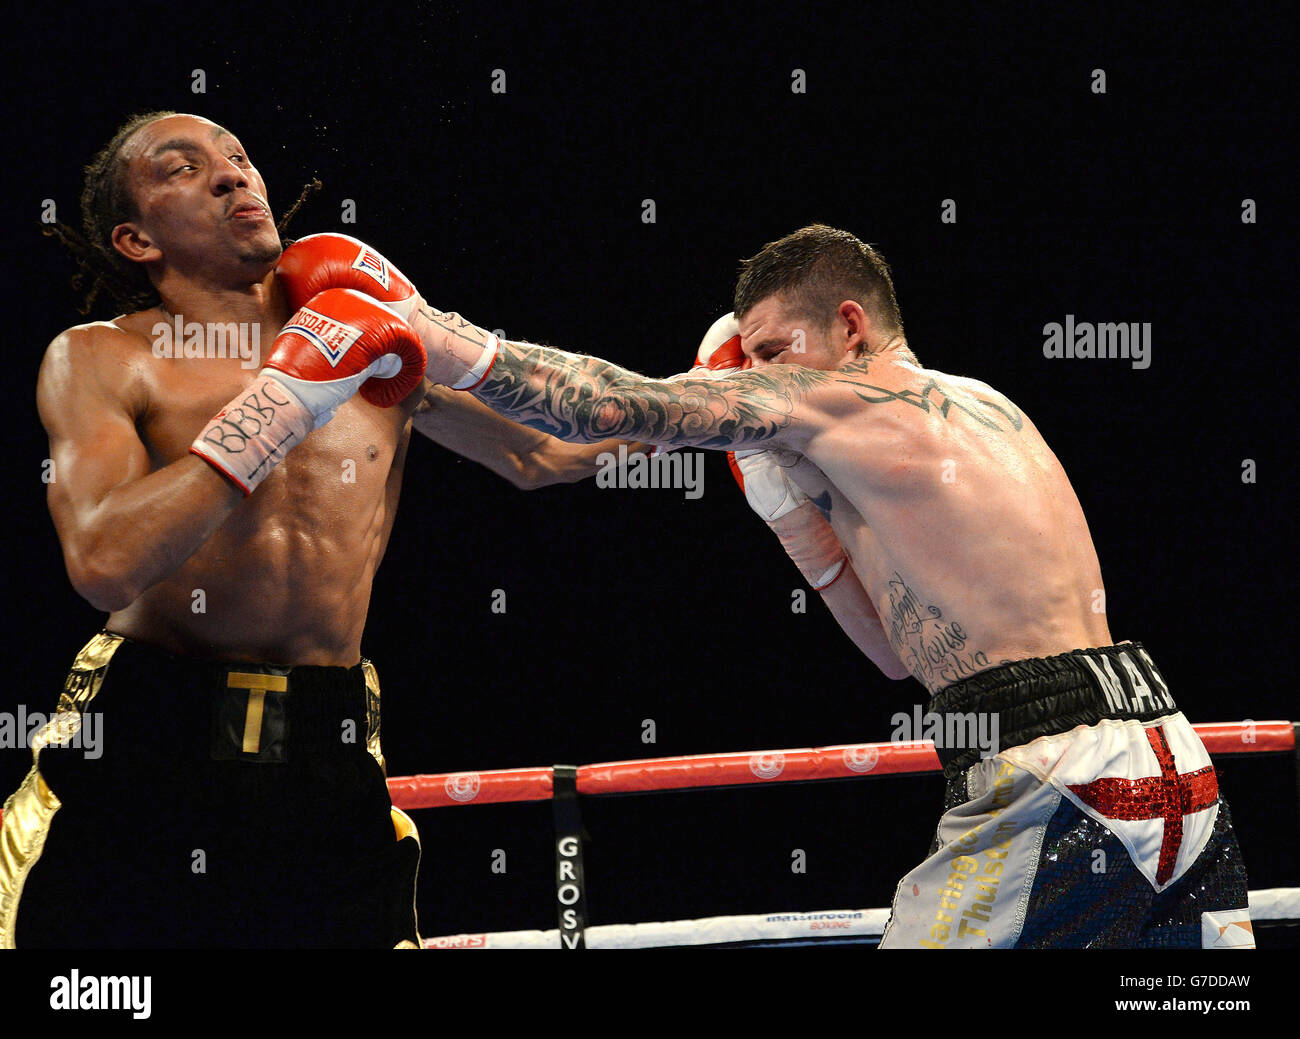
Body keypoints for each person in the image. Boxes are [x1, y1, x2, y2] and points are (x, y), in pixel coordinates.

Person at [412, 223, 1254, 949]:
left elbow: (606, 405)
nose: (757, 378)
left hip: (1053, 772)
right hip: (1165, 751)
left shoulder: (844, 401)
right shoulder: (986, 407)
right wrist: (787, 511)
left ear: (849, 325)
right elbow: (895, 655)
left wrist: (432, 334)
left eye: (773, 353)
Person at [1, 111, 636, 949]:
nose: (232, 175)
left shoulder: (379, 337)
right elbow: (103, 562)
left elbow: (548, 450)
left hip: (325, 743)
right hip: (147, 737)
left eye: (238, 157)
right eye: (181, 169)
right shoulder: (102, 358)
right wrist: (283, 401)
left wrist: (729, 405)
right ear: (135, 238)